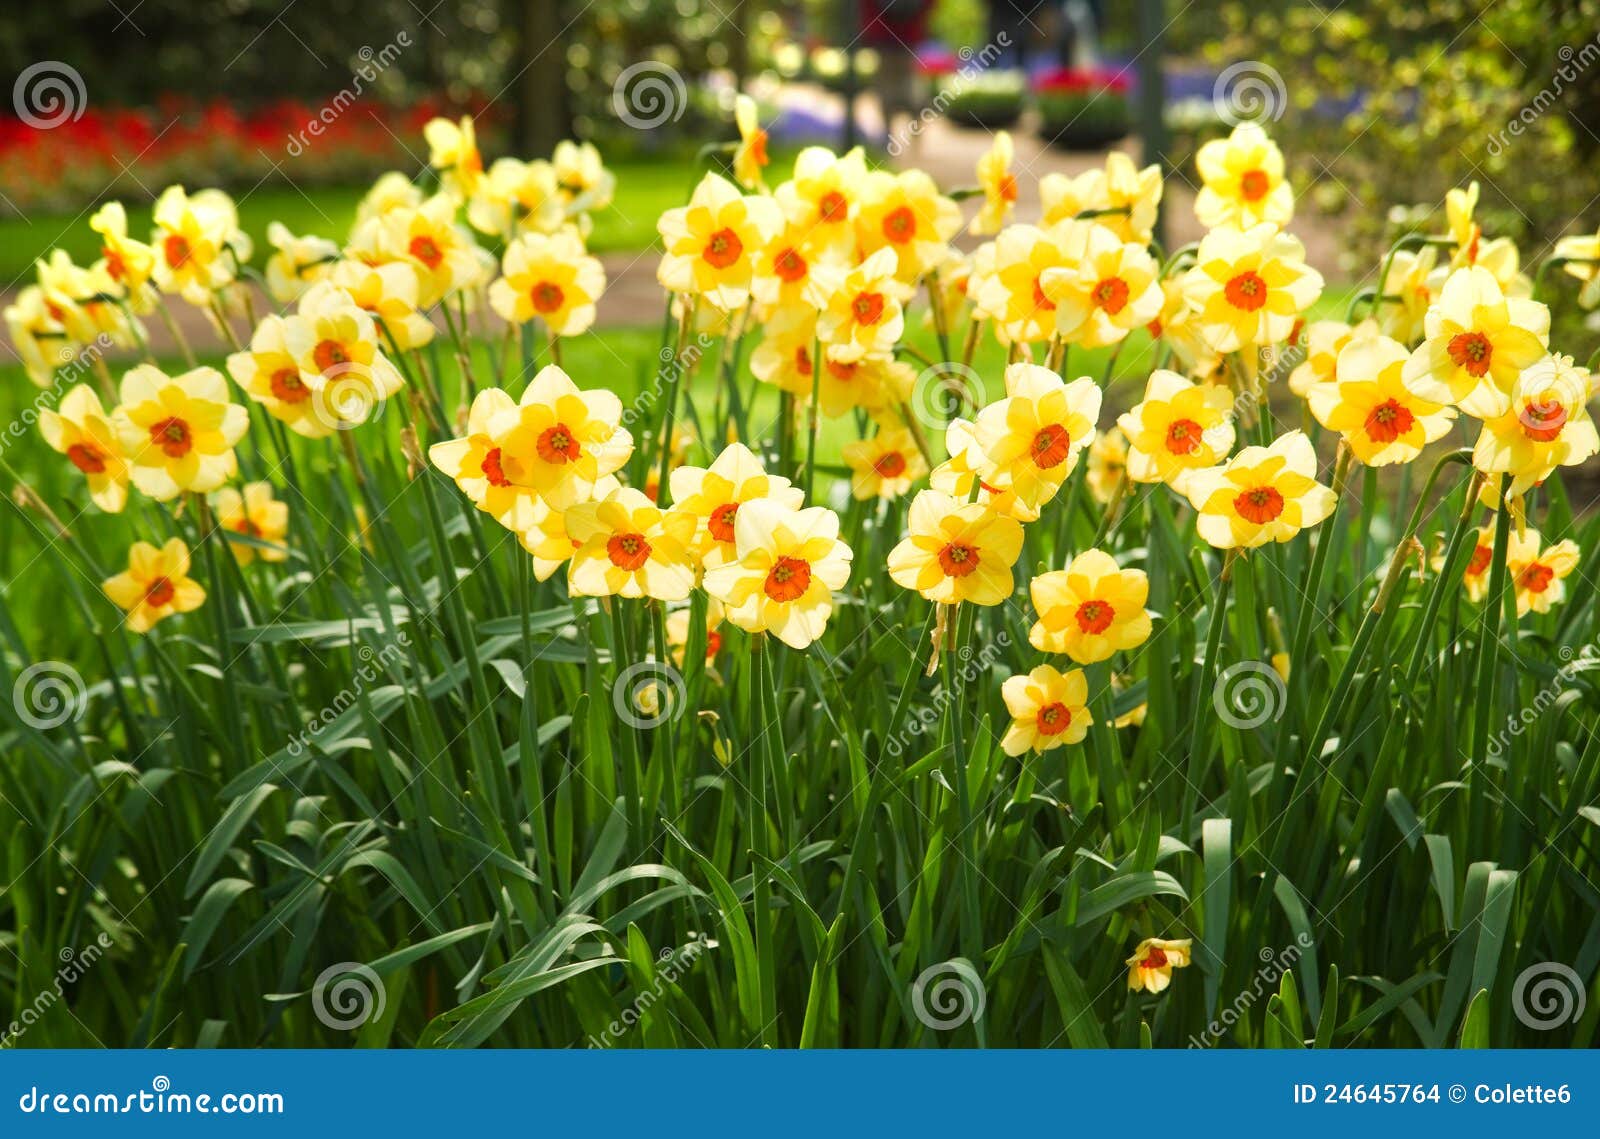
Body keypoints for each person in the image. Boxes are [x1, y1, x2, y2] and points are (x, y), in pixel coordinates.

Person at [861, 0, 934, 143]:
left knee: (886, 83)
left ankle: (888, 133)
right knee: (910, 80)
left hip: (882, 32)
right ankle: (915, 127)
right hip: (910, 33)